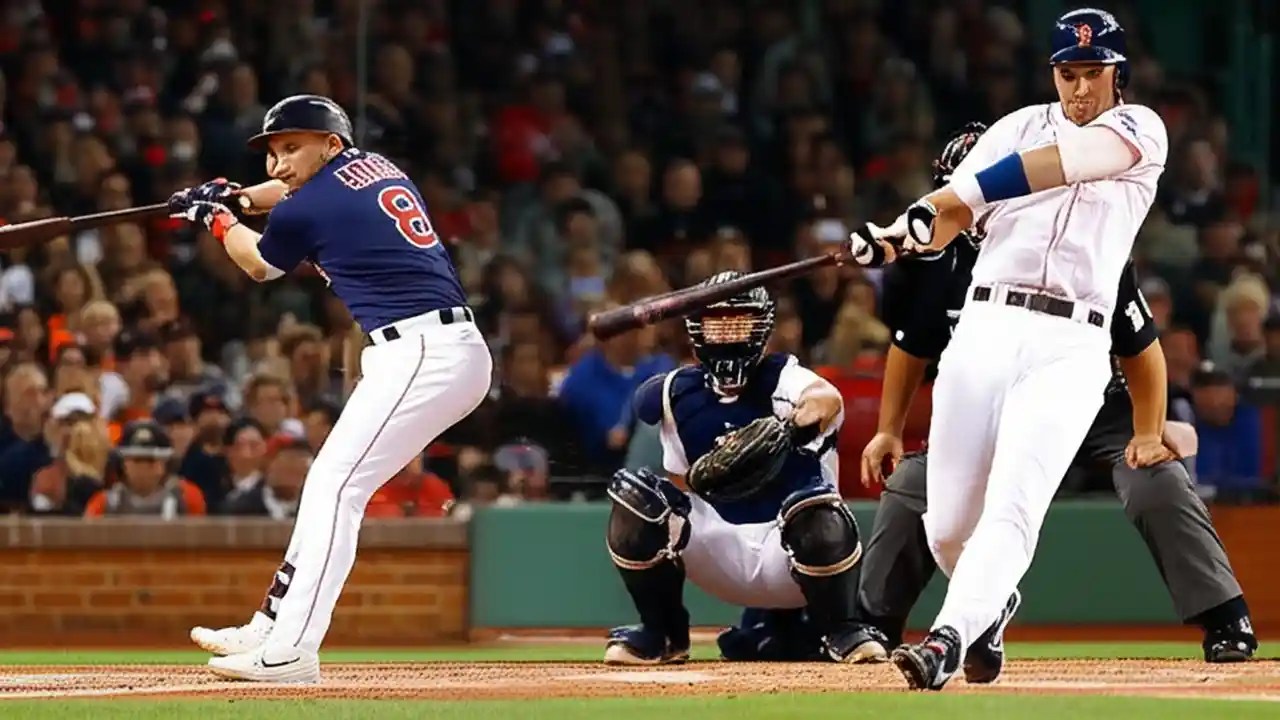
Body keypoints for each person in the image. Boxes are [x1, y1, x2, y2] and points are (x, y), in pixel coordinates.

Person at [845, 123, 1257, 680]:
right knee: (914, 488)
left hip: (1091, 408)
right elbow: (910, 348)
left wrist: (1146, 430)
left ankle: (1226, 618)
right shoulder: (942, 265)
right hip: (995, 400)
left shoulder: (1081, 247)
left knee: (1156, 479)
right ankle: (876, 625)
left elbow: (1142, 349)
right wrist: (889, 429)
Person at [847, 9, 1172, 690]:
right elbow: (951, 221)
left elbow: (1046, 169)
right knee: (949, 526)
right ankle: (988, 608)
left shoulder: (1140, 130)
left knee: (1014, 503)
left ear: (1119, 75)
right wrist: (897, 234)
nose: (1081, 88)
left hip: (1072, 340)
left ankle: (945, 640)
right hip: (985, 329)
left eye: (1094, 73)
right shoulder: (1014, 125)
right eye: (1068, 73)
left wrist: (940, 200)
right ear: (1053, 73)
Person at [173, 94, 492, 683]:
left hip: (425, 353)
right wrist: (236, 197)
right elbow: (287, 197)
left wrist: (216, 218)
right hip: (431, 350)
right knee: (331, 484)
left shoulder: (310, 204)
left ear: (330, 145)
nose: (278, 163)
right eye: (273, 151)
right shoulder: (372, 168)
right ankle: (274, 624)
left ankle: (292, 649)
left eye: (292, 147)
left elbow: (258, 264)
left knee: (335, 487)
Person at [602, 271, 886, 666]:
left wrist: (784, 428)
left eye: (740, 322)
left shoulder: (784, 376)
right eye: (717, 324)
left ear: (762, 326)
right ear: (696, 329)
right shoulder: (674, 392)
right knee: (636, 497)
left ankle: (840, 629)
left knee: (817, 510)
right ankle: (661, 633)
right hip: (716, 549)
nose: (729, 333)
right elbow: (683, 481)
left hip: (789, 555)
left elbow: (826, 398)